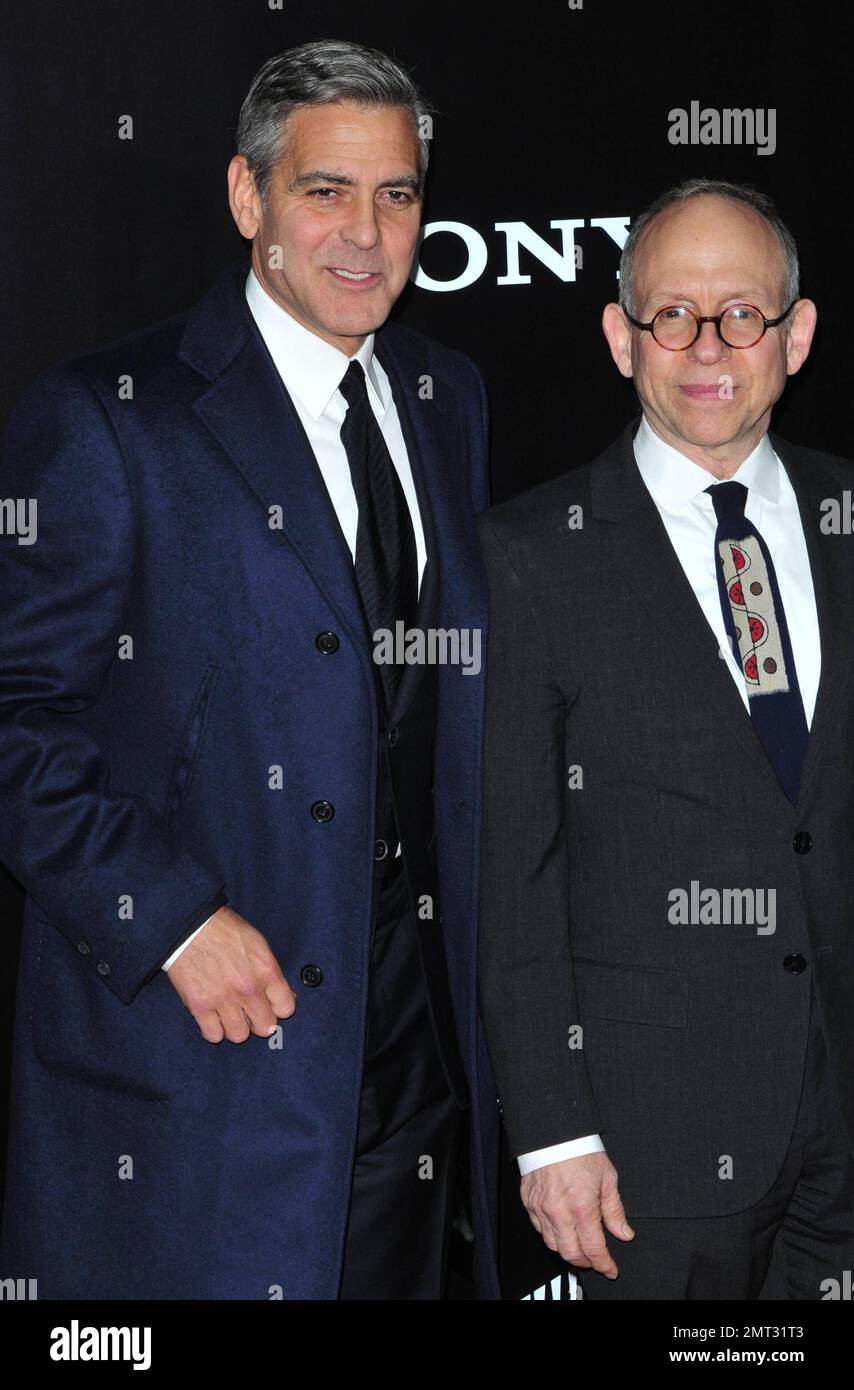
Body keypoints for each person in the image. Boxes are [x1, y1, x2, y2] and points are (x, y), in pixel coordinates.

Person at [0, 39, 500, 1300]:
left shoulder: (448, 397)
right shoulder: (111, 414)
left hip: (412, 1067)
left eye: (397, 194)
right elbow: (15, 717)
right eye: (324, 191)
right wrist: (162, 918)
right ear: (248, 199)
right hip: (202, 1068)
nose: (366, 232)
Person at [477, 178, 854, 1299]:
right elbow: (512, 871)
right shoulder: (530, 554)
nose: (704, 346)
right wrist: (549, 1132)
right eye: (668, 315)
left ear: (794, 335)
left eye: (739, 313)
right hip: (643, 1144)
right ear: (617, 335)